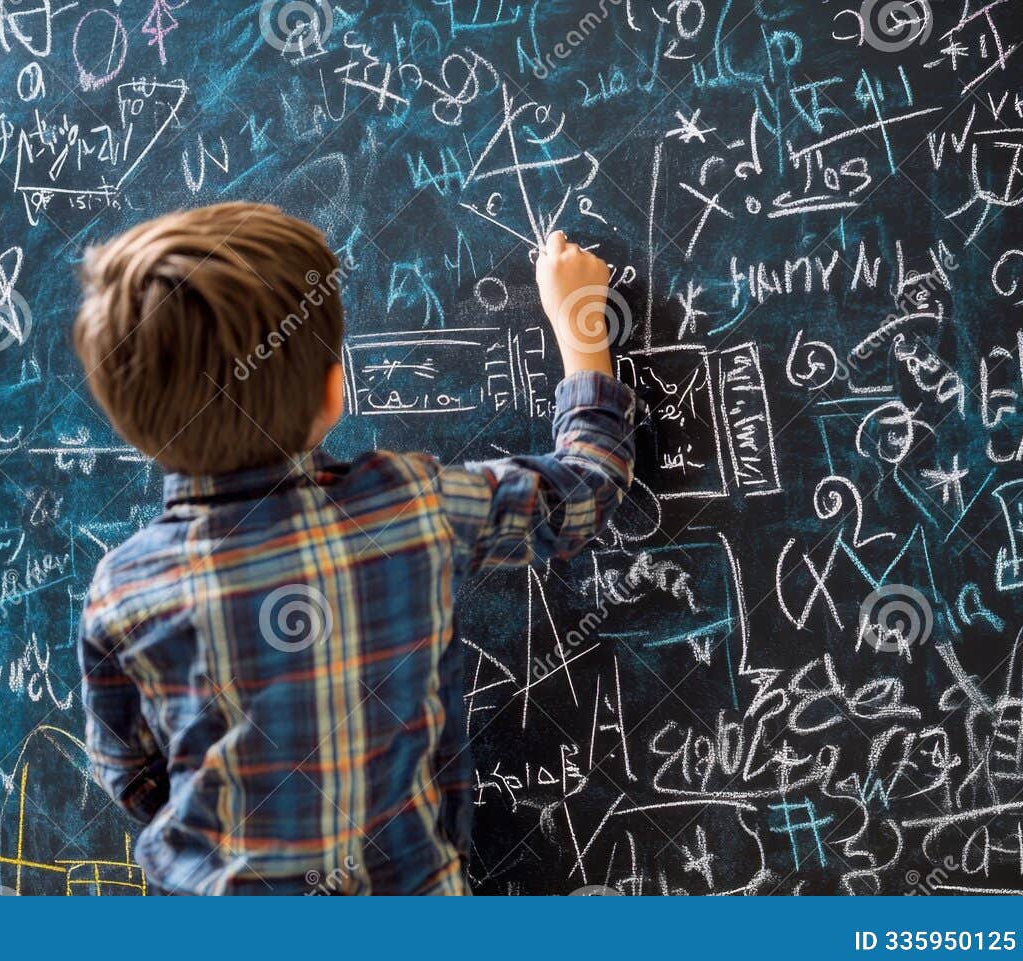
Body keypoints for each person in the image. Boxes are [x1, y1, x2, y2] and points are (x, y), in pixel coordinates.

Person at [71, 201, 637, 894]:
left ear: (131, 421)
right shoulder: (405, 508)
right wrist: (581, 326)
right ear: (334, 389)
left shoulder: (123, 587)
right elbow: (584, 490)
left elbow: (129, 774)